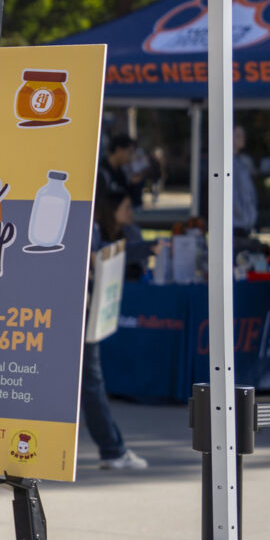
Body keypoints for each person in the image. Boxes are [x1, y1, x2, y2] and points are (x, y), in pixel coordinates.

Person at [82, 191, 148, 470]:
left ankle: (112, 448)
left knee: (87, 383)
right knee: (91, 383)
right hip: (79, 311)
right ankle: (112, 449)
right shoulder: (88, 223)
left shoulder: (87, 222)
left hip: (71, 309)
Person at [98, 134, 144, 206]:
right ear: (119, 150)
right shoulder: (101, 173)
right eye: (130, 152)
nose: (131, 157)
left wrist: (133, 184)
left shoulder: (121, 173)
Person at [231, 125, 258, 238]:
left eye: (242, 135)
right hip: (235, 222)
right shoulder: (226, 164)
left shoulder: (243, 163)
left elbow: (249, 193)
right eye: (238, 135)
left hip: (245, 222)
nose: (242, 138)